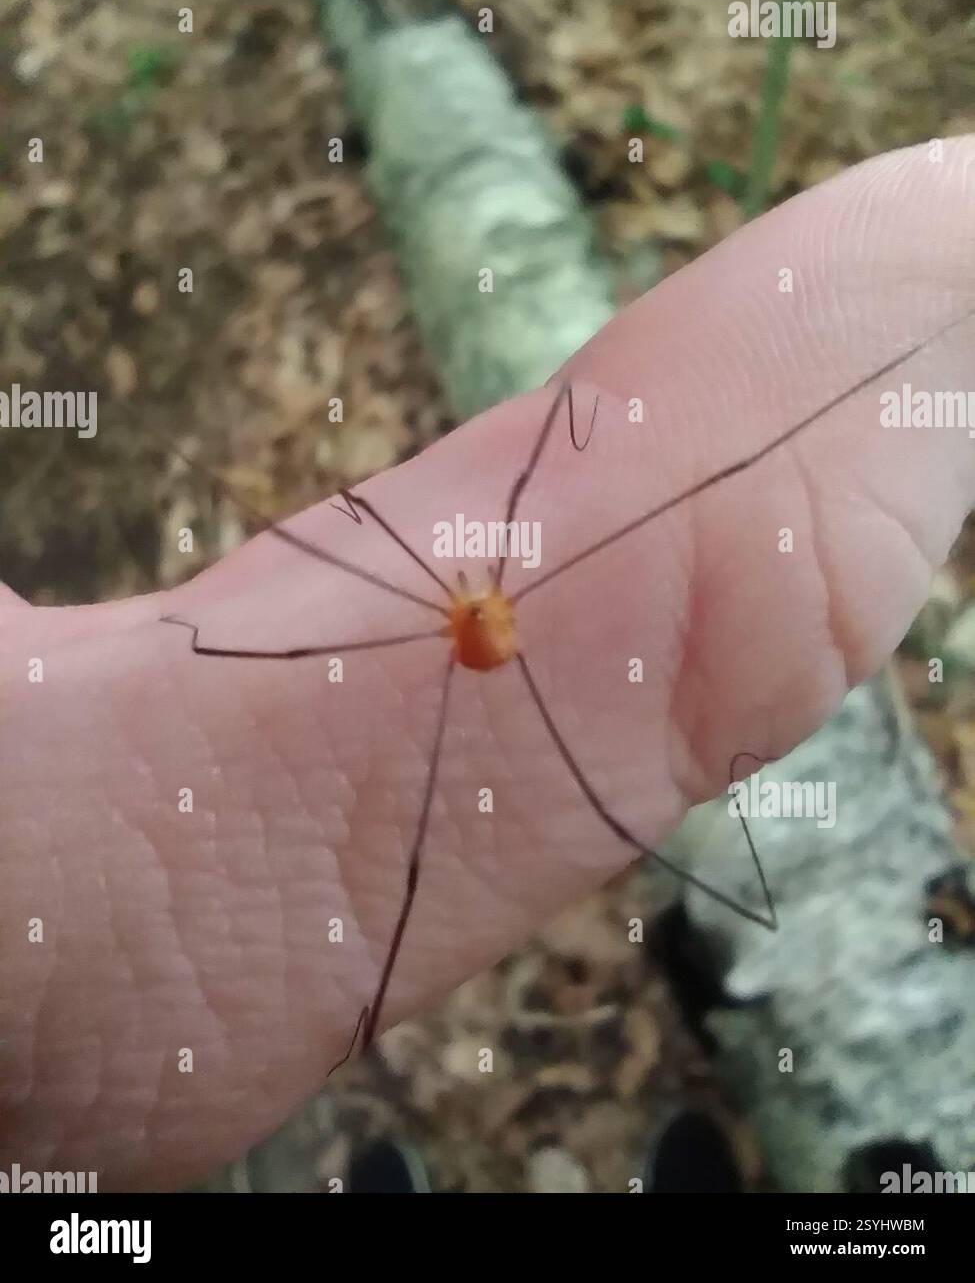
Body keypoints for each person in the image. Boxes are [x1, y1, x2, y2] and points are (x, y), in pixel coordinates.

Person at [2, 138, 973, 1191]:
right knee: (350, 638)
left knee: (630, 522)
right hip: (475, 630)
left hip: (488, 628)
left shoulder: (479, 583)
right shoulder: (474, 588)